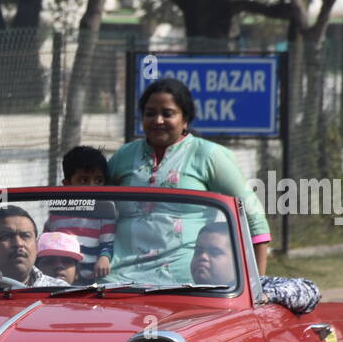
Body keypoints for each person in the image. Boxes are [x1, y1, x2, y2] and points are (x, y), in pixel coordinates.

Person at [109, 77, 272, 276]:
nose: (157, 121)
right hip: (118, 278)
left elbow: (253, 214)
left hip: (188, 281)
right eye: (150, 113)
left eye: (167, 114)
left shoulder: (208, 155)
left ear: (185, 119)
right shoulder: (123, 156)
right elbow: (95, 210)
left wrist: (259, 283)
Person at [190, 223, 321, 314]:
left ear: (238, 259)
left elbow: (309, 289)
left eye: (214, 252)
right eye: (198, 251)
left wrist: (266, 296)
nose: (203, 257)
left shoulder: (253, 287)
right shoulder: (180, 287)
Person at [45, 145, 116, 283]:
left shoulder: (105, 210)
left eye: (98, 180)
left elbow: (107, 242)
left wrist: (104, 258)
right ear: (67, 184)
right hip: (59, 279)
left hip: (92, 279)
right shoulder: (58, 212)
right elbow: (46, 243)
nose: (92, 187)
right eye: (84, 180)